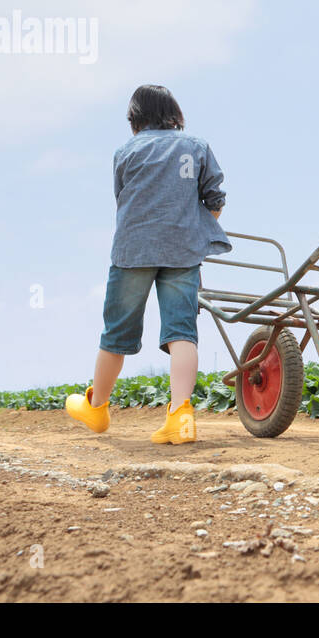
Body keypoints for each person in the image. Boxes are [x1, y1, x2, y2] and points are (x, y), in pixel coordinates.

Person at [65, 84, 231, 444]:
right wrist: (188, 227)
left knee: (116, 335)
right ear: (174, 114)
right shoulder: (197, 147)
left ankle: (97, 408)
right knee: (181, 333)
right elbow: (215, 200)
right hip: (182, 251)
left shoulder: (125, 152)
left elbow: (123, 201)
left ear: (135, 119)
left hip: (133, 250)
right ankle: (180, 416)